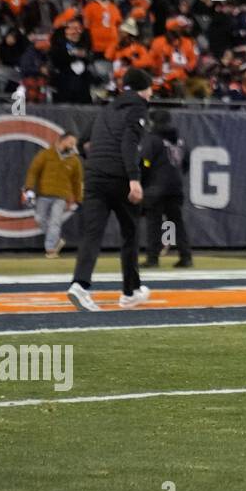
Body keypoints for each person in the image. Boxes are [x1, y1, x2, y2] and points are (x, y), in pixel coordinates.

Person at [66, 67, 154, 312]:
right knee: (130, 232)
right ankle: (129, 291)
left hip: (94, 175)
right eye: (149, 88)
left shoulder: (107, 108)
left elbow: (82, 142)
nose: (151, 93)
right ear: (142, 89)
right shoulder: (137, 107)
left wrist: (95, 161)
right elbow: (128, 143)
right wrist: (134, 179)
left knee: (92, 234)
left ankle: (80, 285)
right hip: (119, 177)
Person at [139, 107, 193, 268]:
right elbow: (186, 161)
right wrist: (176, 174)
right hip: (175, 187)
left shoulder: (153, 138)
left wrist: (142, 181)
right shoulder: (179, 139)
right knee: (177, 223)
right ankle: (186, 256)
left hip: (156, 187)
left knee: (154, 223)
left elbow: (145, 162)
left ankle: (153, 258)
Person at [23, 131, 82, 257]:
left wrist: (78, 198)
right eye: (71, 143)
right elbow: (33, 171)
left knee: (55, 222)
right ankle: (55, 240)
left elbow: (77, 181)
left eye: (74, 144)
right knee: (39, 219)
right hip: (43, 194)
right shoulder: (45, 154)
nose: (72, 146)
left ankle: (50, 249)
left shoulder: (74, 161)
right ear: (61, 140)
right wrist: (28, 188)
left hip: (61, 197)